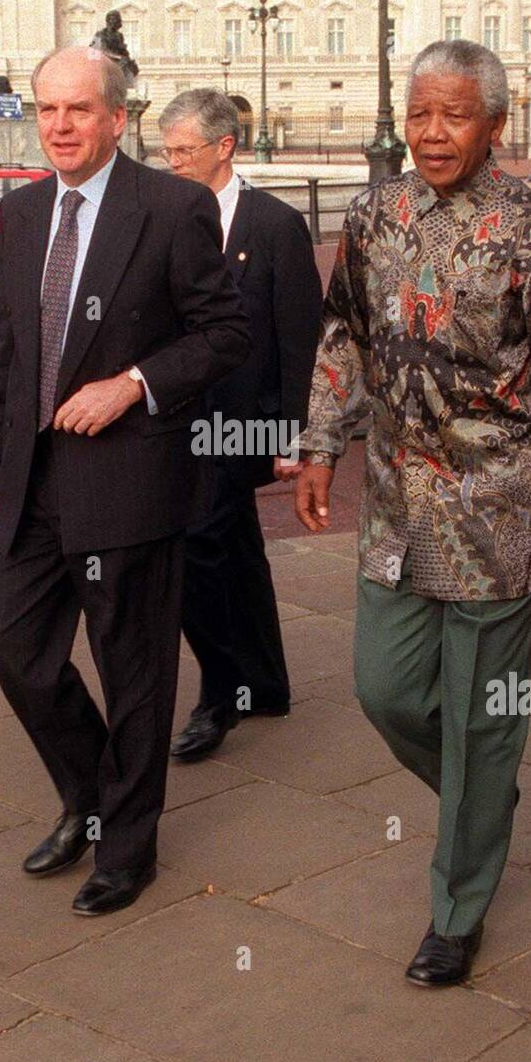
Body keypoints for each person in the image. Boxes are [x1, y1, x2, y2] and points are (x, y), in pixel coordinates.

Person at [295, 40, 531, 987]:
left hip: (501, 512)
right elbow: (342, 331)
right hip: (395, 504)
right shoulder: (372, 214)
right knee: (384, 690)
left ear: (495, 127)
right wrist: (320, 443)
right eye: (420, 114)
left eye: (455, 116)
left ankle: (457, 907)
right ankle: (481, 800)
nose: (432, 134)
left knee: (479, 718)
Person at [0, 47, 249, 916]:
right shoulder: (19, 213)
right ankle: (89, 801)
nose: (58, 126)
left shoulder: (170, 208)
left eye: (77, 111)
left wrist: (133, 384)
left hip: (127, 481)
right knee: (17, 652)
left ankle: (126, 847)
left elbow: (224, 332)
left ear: (115, 119)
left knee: (134, 675)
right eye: (46, 110)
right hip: (29, 483)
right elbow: (7, 354)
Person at [157, 89, 323, 760]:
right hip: (180, 419)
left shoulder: (275, 225)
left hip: (245, 422)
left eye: (182, 152)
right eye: (164, 152)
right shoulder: (166, 217)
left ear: (223, 147)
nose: (171, 164)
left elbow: (299, 338)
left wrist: (295, 436)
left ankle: (219, 693)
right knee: (235, 548)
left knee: (198, 542)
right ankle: (264, 683)